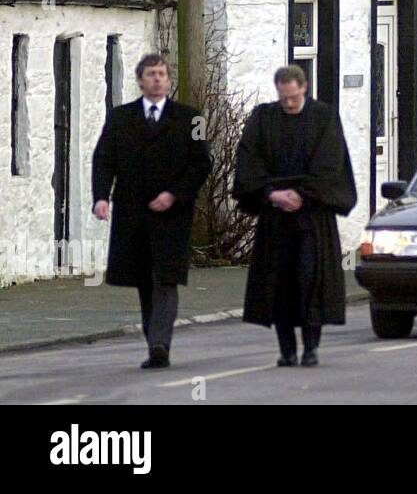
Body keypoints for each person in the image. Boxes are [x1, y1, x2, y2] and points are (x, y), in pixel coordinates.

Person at [91, 54, 212, 369]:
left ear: (169, 80)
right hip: (133, 214)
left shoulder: (192, 118)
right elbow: (104, 159)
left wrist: (175, 194)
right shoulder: (120, 118)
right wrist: (101, 197)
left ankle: (160, 344)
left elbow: (202, 162)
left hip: (172, 216)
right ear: (140, 80)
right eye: (151, 74)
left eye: (162, 74)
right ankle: (154, 343)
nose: (158, 79)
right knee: (145, 281)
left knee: (166, 279)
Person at [233, 65, 356, 367]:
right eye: (283, 97)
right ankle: (286, 349)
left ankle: (311, 347)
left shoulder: (324, 117)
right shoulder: (264, 118)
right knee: (280, 283)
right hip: (276, 218)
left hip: (312, 218)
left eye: (293, 97)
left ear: (304, 88)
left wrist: (302, 194)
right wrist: (272, 194)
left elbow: (330, 163)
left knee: (309, 279)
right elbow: (249, 161)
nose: (288, 103)